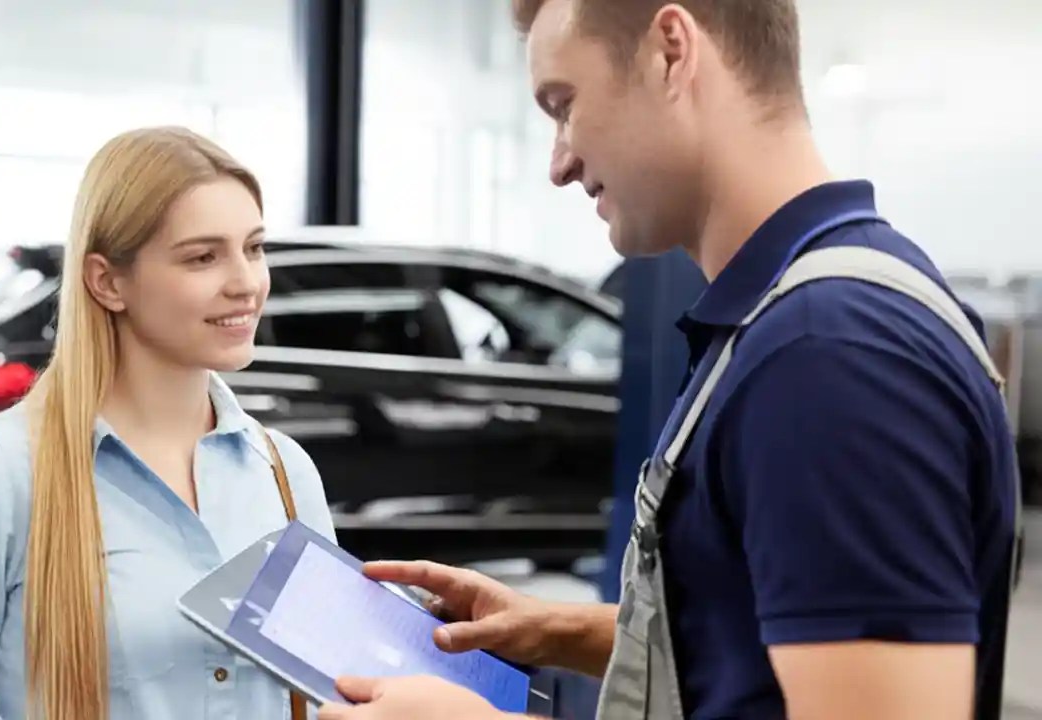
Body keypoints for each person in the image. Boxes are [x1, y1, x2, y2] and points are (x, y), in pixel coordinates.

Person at [319, 0, 1021, 719]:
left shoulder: (829, 355)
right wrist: (553, 629)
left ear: (670, 52)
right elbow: (754, 643)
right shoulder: (795, 322)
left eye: (564, 105)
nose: (560, 163)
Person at [0, 126, 336, 720]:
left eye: (253, 248)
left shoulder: (283, 471)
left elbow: (333, 688)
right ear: (107, 281)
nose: (246, 283)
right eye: (203, 256)